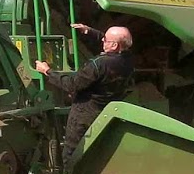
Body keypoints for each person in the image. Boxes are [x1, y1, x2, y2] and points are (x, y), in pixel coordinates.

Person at [34, 24, 134, 166]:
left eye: (105, 39)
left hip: (84, 114)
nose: (102, 41)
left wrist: (48, 71)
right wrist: (89, 31)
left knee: (71, 153)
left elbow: (71, 84)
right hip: (106, 112)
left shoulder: (98, 65)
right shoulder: (128, 59)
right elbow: (117, 41)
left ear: (114, 45)